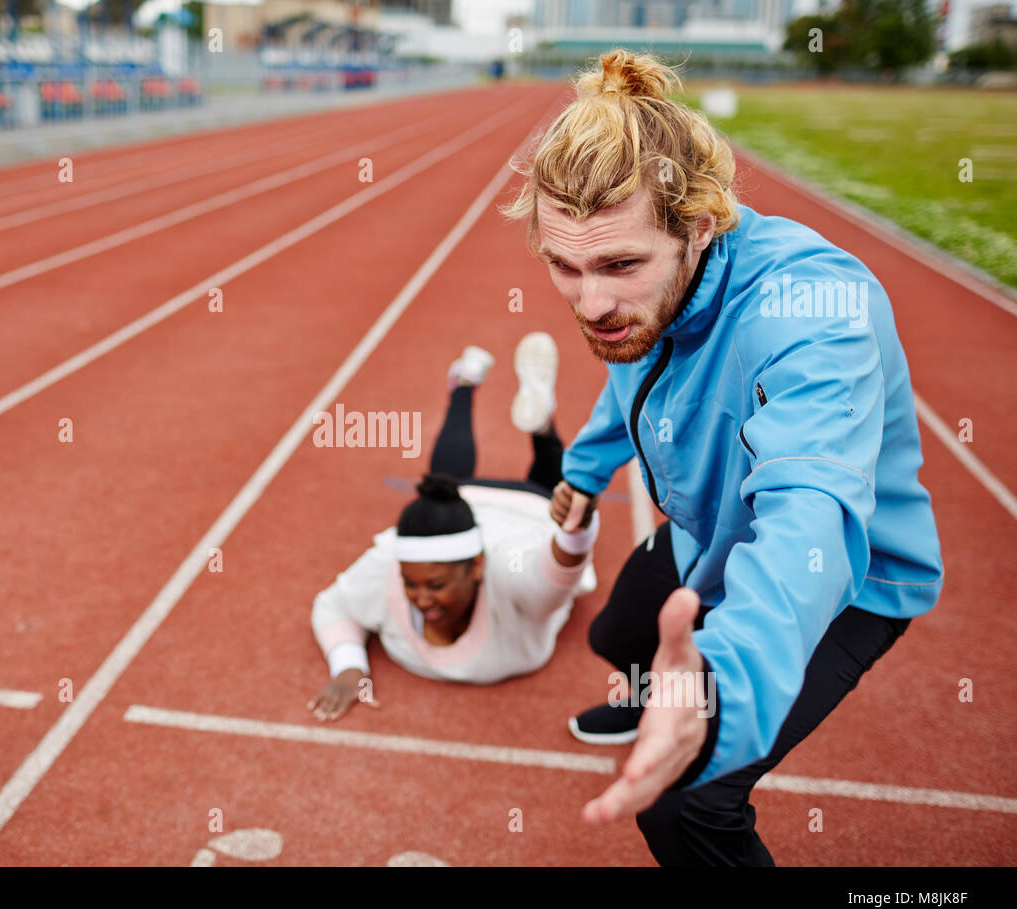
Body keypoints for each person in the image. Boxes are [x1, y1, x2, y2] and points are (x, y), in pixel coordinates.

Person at [501, 49, 944, 865]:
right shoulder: (643, 298)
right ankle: (651, 695)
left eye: (620, 265)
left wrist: (718, 698)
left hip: (847, 573)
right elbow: (632, 357)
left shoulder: (812, 309)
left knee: (684, 811)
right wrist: (585, 472)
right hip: (711, 527)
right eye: (563, 266)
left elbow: (810, 506)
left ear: (702, 225)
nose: (591, 301)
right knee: (616, 638)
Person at [307, 333, 600, 720]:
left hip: (529, 508)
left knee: (548, 493)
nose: (421, 598)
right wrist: (349, 668)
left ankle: (487, 394)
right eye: (411, 583)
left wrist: (575, 526)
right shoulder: (392, 559)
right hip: (462, 499)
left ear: (477, 567)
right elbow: (332, 605)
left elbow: (556, 576)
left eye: (437, 585)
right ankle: (528, 416)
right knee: (445, 482)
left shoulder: (511, 571)